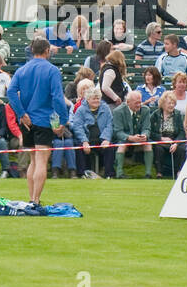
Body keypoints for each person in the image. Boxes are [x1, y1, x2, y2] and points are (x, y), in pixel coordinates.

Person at [8, 36, 69, 203]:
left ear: (32, 50)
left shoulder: (22, 70)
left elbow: (10, 93)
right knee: (42, 161)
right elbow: (57, 98)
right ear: (47, 51)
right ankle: (35, 200)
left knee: (33, 161)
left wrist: (21, 113)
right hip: (43, 120)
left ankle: (31, 198)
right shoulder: (52, 70)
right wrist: (63, 120)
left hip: (26, 122)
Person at [69, 86, 115, 178]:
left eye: (98, 98)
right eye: (94, 98)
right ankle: (82, 174)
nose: (96, 101)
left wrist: (106, 139)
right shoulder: (81, 110)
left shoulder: (106, 109)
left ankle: (109, 175)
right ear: (88, 99)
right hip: (87, 139)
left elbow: (109, 125)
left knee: (110, 147)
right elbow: (78, 127)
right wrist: (84, 141)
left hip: (101, 140)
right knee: (79, 147)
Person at [111, 89, 153, 178]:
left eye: (140, 102)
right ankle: (119, 173)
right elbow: (117, 132)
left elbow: (147, 128)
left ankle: (148, 174)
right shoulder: (118, 111)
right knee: (121, 146)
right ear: (128, 102)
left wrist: (144, 135)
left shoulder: (145, 110)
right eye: (136, 103)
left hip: (139, 138)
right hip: (124, 139)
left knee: (148, 144)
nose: (139, 105)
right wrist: (130, 138)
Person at [150, 91, 187, 179]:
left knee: (181, 149)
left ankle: (179, 171)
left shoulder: (178, 115)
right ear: (163, 104)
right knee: (159, 148)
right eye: (169, 103)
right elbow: (150, 132)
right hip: (161, 140)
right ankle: (159, 173)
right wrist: (161, 138)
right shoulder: (155, 115)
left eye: (173, 103)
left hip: (174, 140)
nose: (171, 105)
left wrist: (176, 143)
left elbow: (182, 132)